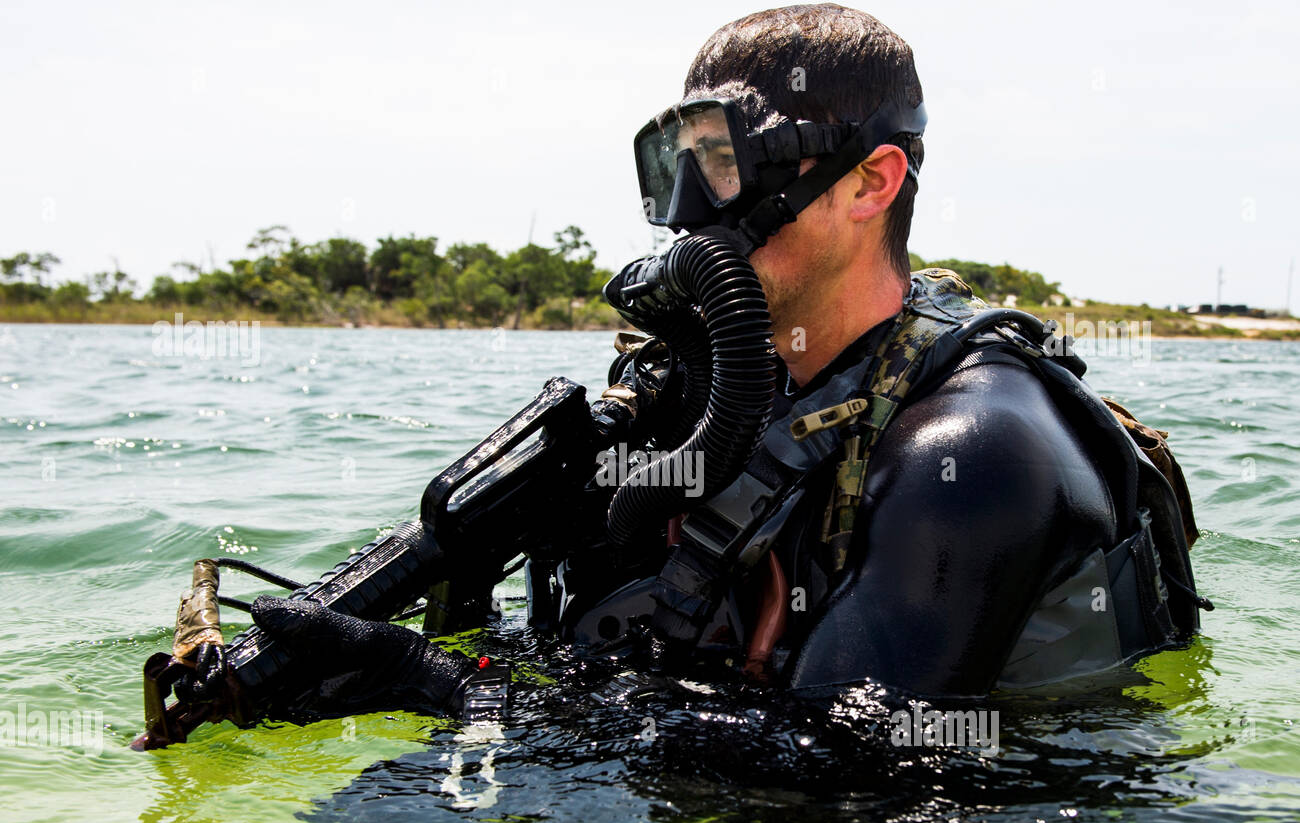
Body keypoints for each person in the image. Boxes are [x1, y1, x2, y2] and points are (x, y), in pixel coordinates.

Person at [237, 5, 1203, 722]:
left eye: (729, 165)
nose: (695, 212)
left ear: (872, 180)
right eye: (678, 168)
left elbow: (842, 770)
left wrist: (438, 688)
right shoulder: (723, 392)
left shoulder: (978, 448)